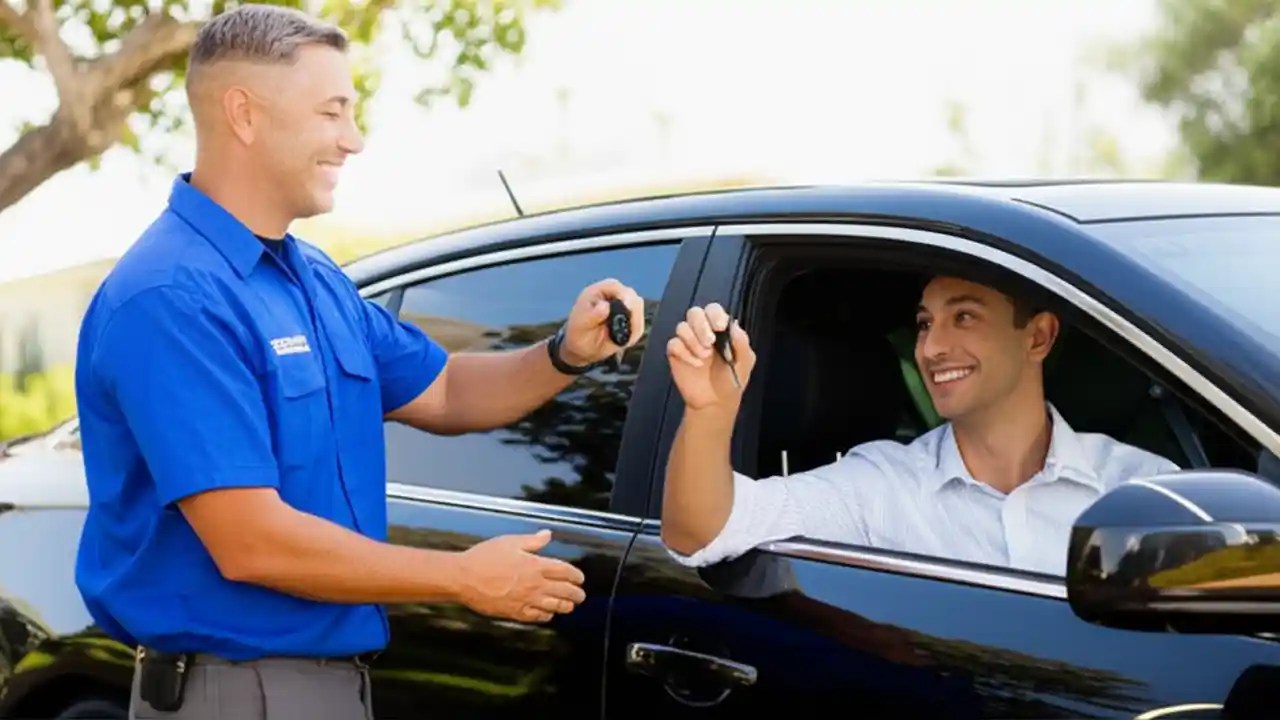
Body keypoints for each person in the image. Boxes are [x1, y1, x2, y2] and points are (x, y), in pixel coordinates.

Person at [73, 6, 647, 718]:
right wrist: (462, 577)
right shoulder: (170, 297)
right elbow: (252, 543)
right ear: (244, 115)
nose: (354, 140)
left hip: (325, 683)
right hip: (233, 692)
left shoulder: (312, 278)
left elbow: (443, 390)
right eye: (332, 113)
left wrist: (563, 353)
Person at [659, 272, 1179, 576]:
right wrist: (710, 411)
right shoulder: (883, 484)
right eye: (926, 324)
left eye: (964, 317)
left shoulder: (1143, 491)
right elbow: (701, 532)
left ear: (1038, 337)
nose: (930, 348)